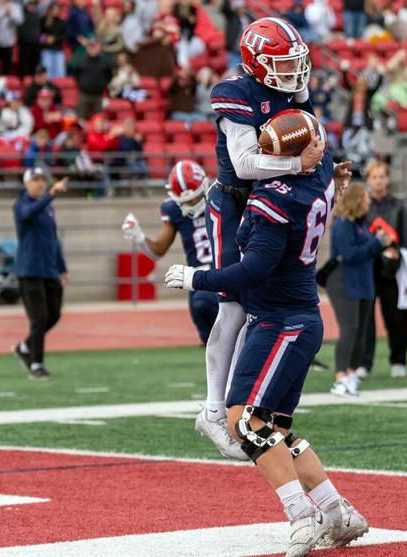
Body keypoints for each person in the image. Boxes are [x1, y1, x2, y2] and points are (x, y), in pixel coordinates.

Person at [164, 134, 369, 557]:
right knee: (277, 428)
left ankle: (301, 516)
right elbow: (327, 161)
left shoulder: (275, 199)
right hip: (298, 316)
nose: (258, 155)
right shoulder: (321, 174)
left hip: (281, 320)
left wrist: (196, 278)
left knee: (247, 422)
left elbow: (253, 269)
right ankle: (338, 513)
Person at [195, 17, 329, 461]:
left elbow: (310, 134)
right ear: (255, 63)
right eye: (283, 63)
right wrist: (297, 167)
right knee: (232, 303)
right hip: (235, 203)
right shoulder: (234, 93)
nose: (294, 72)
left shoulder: (291, 90)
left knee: (261, 309)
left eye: (296, 62)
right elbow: (246, 162)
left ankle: (245, 404)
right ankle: (214, 411)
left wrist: (327, 167)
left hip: (274, 205)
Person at [121, 160, 218, 344]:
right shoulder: (173, 208)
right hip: (197, 276)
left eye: (195, 197)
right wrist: (139, 236)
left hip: (225, 269)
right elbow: (159, 251)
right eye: (185, 199)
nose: (191, 202)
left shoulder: (221, 196)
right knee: (207, 334)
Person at [326, 184, 389, 397]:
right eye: (366, 198)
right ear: (357, 200)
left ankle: (351, 374)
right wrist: (377, 243)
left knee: (361, 332)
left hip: (363, 282)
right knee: (349, 329)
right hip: (344, 281)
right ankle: (340, 378)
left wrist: (378, 244)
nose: (369, 202)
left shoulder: (361, 224)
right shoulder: (342, 224)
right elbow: (350, 254)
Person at [11, 168, 69, 380]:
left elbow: (54, 240)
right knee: (39, 317)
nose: (40, 184)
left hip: (49, 270)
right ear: (26, 184)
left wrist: (62, 267)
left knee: (54, 315)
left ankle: (25, 347)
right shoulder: (21, 205)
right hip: (29, 270)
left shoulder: (47, 208)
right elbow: (29, 213)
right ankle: (36, 363)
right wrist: (51, 195)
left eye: (42, 180)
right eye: (35, 180)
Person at [359, 160, 407, 379]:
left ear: (387, 179)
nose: (378, 181)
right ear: (368, 180)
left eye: (382, 176)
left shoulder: (398, 205)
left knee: (397, 317)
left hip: (392, 269)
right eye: (374, 177)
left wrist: (397, 253)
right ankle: (364, 363)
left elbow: (405, 239)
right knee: (366, 319)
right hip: (368, 268)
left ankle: (398, 361)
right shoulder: (362, 205)